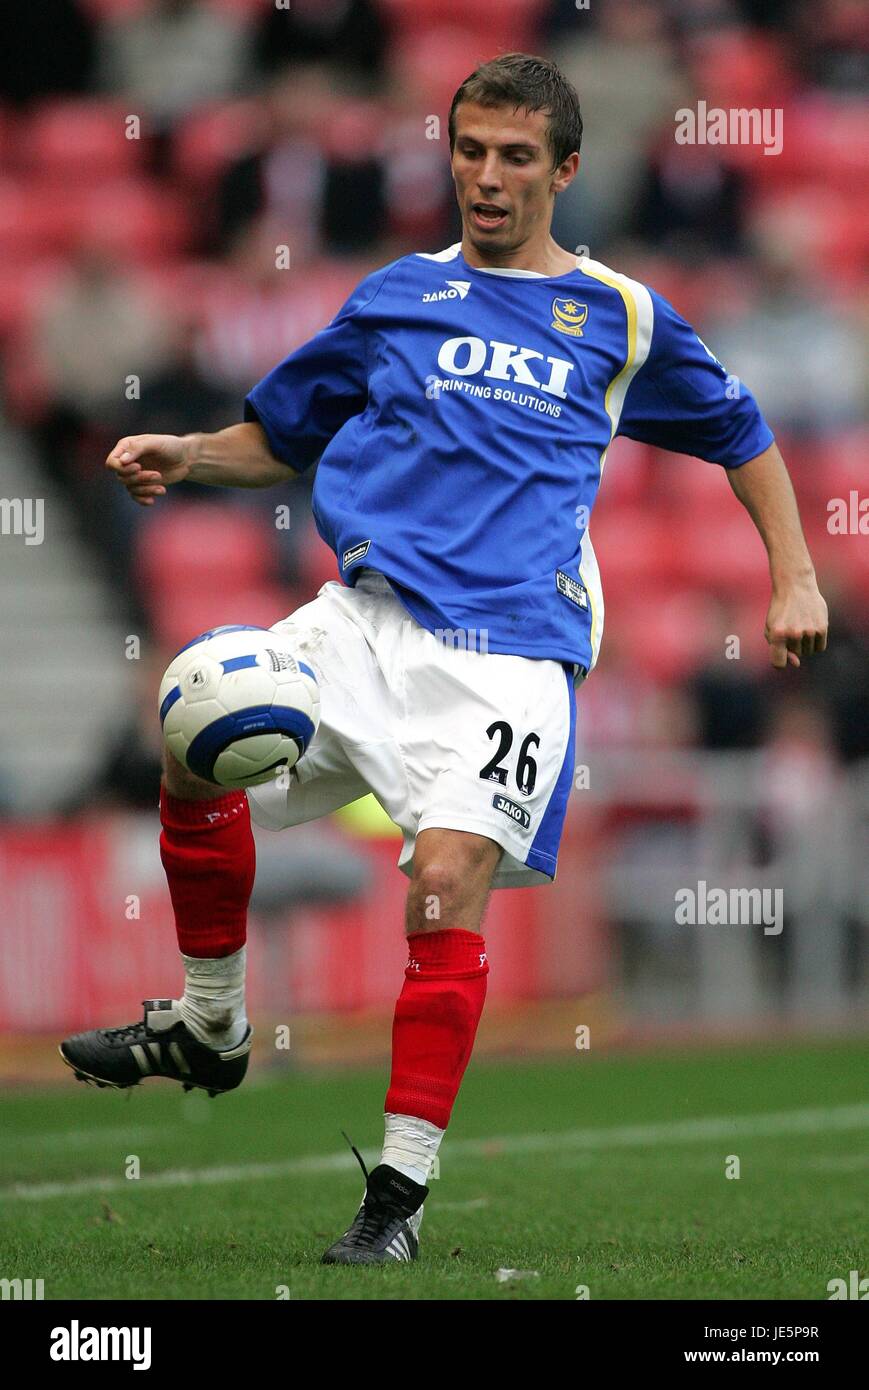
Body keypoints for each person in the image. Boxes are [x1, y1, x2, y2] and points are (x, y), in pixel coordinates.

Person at [59, 53, 828, 1265]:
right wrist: (190, 456)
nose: (486, 175)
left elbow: (741, 432)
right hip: (361, 621)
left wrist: (790, 571)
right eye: (469, 149)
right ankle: (212, 1027)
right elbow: (279, 434)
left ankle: (396, 1203)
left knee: (445, 880)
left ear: (563, 170)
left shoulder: (618, 317)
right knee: (190, 725)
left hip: (507, 657)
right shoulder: (395, 298)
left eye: (515, 155)